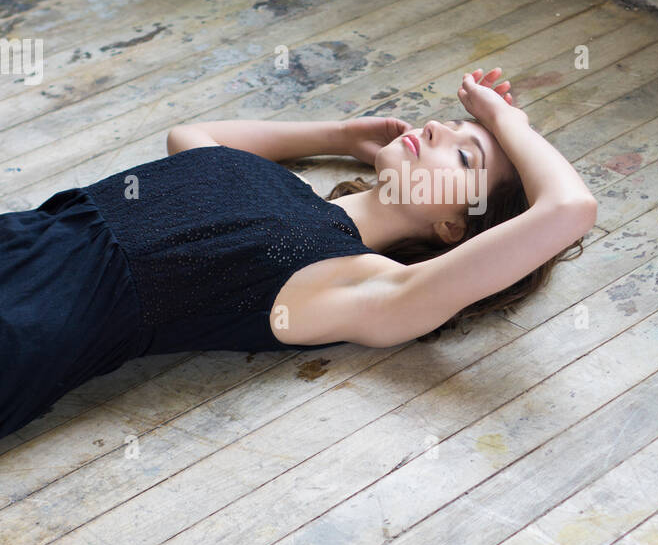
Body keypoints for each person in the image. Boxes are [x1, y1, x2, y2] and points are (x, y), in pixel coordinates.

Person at [0, 68, 597, 438]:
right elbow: (192, 139)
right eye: (450, 124)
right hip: (19, 237)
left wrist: (507, 120)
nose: (439, 127)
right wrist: (337, 135)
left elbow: (569, 211)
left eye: (466, 157)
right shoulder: (285, 190)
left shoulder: (362, 287)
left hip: (26, 323)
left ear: (451, 228)